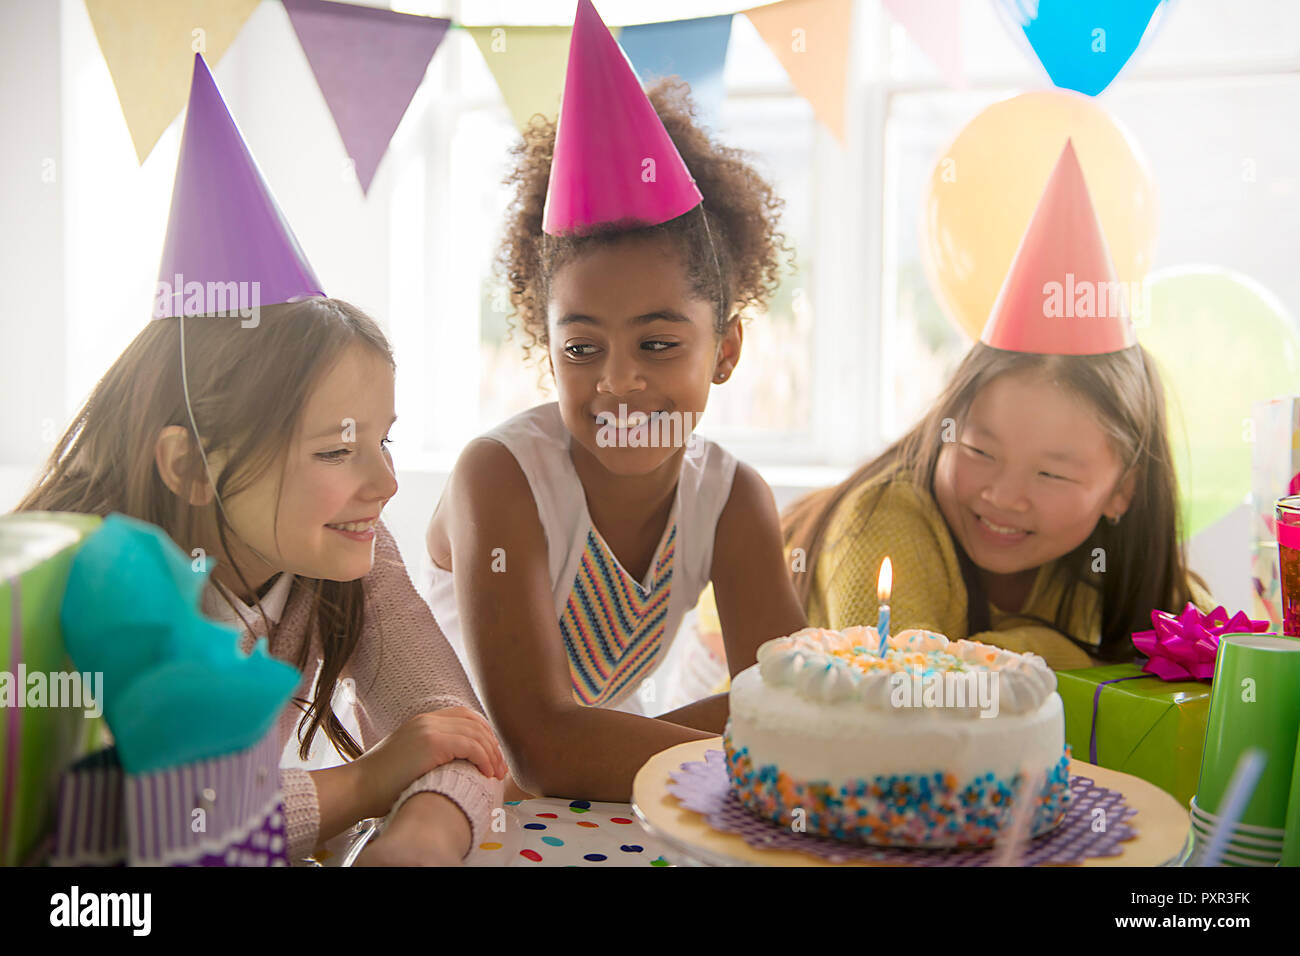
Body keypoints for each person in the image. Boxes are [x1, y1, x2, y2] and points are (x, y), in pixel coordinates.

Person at [17, 54, 504, 866]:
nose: (384, 485)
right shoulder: (87, 584)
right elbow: (132, 826)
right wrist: (365, 785)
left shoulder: (348, 556)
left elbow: (454, 728)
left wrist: (412, 841)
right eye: (338, 449)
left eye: (383, 440)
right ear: (192, 467)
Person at [423, 1, 805, 801]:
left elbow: (791, 706)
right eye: (583, 348)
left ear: (725, 351)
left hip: (604, 796)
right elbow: (539, 748)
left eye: (659, 345)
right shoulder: (499, 476)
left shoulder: (733, 502)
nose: (618, 382)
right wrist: (768, 727)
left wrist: (787, 719)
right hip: (437, 794)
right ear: (546, 347)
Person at [783, 142, 1212, 671]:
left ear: (1122, 490)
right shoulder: (883, 518)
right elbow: (902, 690)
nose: (1003, 495)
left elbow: (1203, 645)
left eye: (1052, 474)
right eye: (980, 450)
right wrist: (1056, 652)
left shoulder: (1108, 567)